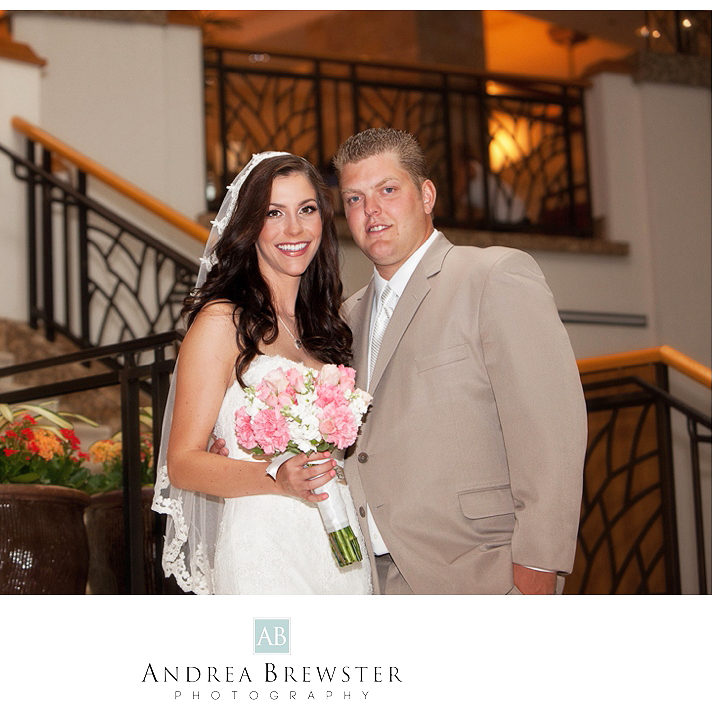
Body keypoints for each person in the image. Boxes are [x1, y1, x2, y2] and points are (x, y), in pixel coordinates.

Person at [322, 127, 587, 594]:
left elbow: (551, 430)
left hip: (481, 573)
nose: (372, 211)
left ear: (426, 195)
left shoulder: (493, 276)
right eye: (354, 199)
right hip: (375, 583)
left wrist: (538, 569)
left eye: (387, 190)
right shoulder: (346, 317)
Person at [152, 152, 372, 595]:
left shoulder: (325, 327)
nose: (295, 229)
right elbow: (182, 464)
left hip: (339, 539)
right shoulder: (222, 322)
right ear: (250, 225)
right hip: (265, 542)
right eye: (275, 213)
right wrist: (275, 477)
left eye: (306, 210)